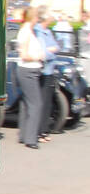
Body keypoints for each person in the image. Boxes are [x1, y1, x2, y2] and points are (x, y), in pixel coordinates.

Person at [14, 6, 46, 149]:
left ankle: (24, 135)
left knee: (26, 104)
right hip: (28, 70)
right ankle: (31, 139)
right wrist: (38, 57)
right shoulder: (26, 32)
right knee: (35, 104)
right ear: (33, 17)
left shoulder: (26, 31)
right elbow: (24, 55)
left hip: (27, 71)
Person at [35, 9, 60, 141]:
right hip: (42, 71)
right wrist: (52, 51)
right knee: (41, 103)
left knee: (47, 103)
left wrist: (51, 50)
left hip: (50, 70)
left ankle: (44, 130)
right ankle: (39, 131)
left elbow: (57, 46)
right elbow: (43, 53)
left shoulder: (48, 32)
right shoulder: (39, 31)